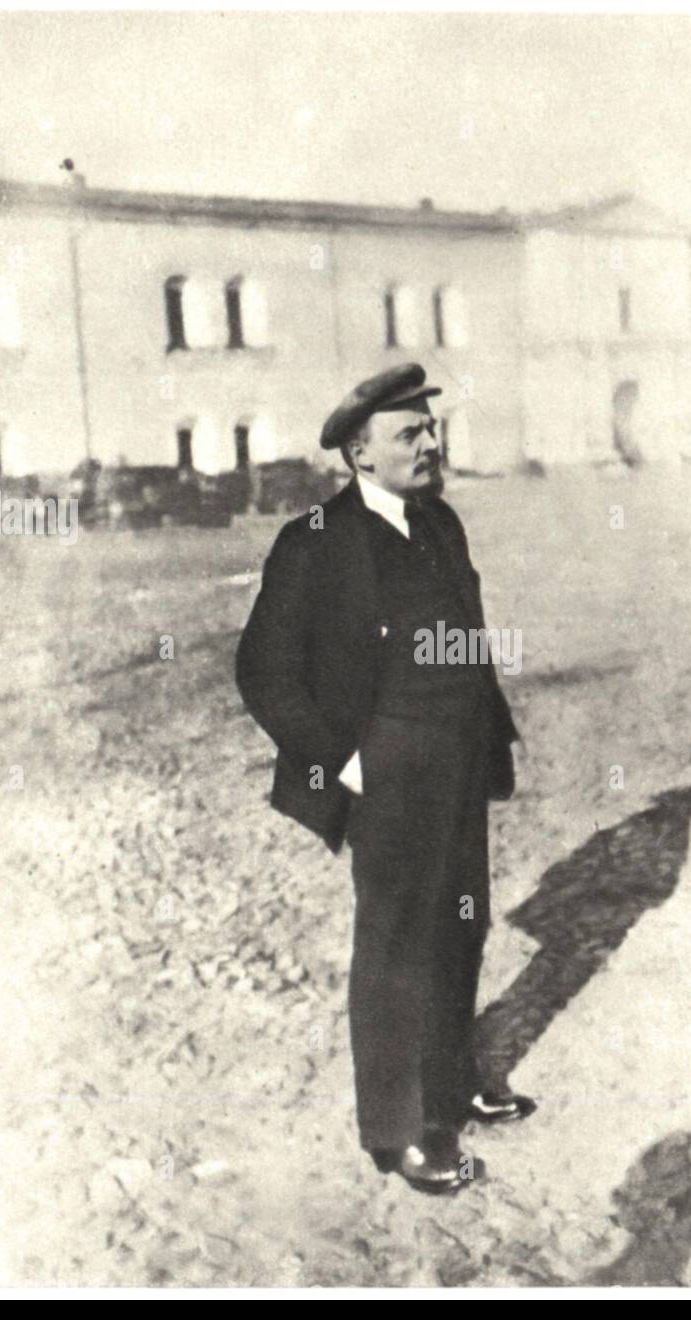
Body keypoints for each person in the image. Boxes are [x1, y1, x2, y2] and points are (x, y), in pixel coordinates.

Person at [235, 362, 535, 1194]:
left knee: (461, 923)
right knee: (398, 944)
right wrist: (343, 762)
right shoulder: (314, 542)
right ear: (360, 455)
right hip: (385, 771)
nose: (431, 444)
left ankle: (451, 1082)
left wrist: (487, 732)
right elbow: (263, 668)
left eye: (430, 429)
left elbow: (466, 636)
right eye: (411, 434)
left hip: (458, 758)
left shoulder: (440, 523)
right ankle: (398, 1129)